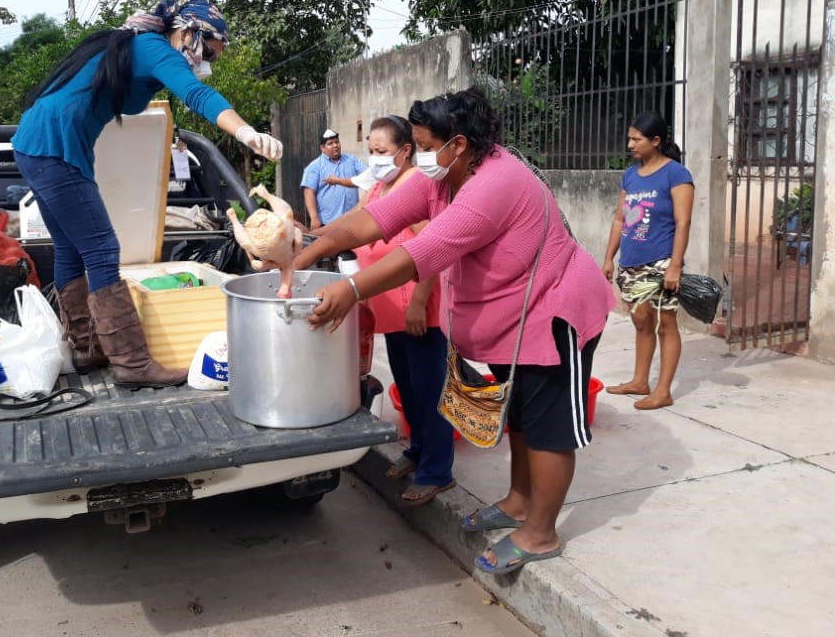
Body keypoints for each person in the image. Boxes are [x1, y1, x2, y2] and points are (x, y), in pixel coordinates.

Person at [291, 88, 614, 575]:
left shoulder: (494, 183)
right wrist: (307, 249)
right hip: (515, 320)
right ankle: (519, 501)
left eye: (424, 145)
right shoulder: (443, 176)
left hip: (554, 312)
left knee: (548, 429)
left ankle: (541, 532)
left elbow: (422, 254)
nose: (418, 156)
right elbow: (374, 219)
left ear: (458, 143)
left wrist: (352, 289)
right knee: (519, 416)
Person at [11, 0, 283, 389]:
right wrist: (245, 131)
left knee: (71, 249)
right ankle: (132, 364)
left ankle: (87, 348)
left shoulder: (136, 46)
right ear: (188, 32)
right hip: (55, 147)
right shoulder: (154, 48)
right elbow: (198, 95)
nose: (207, 63)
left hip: (38, 144)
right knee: (102, 249)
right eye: (208, 52)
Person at [353, 115, 454, 505]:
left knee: (430, 391)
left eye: (381, 151)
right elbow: (356, 225)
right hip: (390, 310)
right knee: (409, 388)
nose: (374, 157)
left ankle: (437, 470)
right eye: (371, 150)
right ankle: (418, 450)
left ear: (405, 150)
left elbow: (434, 247)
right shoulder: (380, 186)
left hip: (416, 310)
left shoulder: (415, 186)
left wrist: (418, 302)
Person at [602, 112, 694, 410]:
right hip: (631, 260)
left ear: (656, 140)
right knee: (641, 321)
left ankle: (663, 391)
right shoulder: (630, 175)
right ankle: (640, 381)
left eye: (636, 139)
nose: (630, 144)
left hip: (661, 261)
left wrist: (675, 265)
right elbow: (620, 219)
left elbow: (683, 223)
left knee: (665, 323)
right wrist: (609, 258)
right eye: (629, 138)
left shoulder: (676, 174)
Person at [301, 128, 366, 229]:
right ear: (322, 148)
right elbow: (308, 192)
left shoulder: (351, 160)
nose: (335, 145)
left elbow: (367, 175)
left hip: (352, 220)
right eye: (330, 143)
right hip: (328, 222)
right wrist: (314, 218)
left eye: (336, 142)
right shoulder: (315, 166)